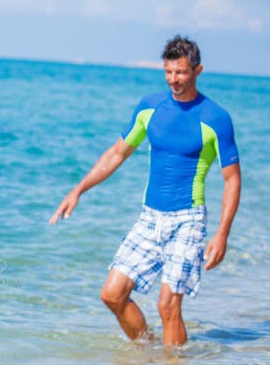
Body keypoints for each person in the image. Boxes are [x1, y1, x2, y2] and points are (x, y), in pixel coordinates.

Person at [50, 35, 241, 345]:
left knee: (168, 305)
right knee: (112, 294)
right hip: (150, 218)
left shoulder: (215, 118)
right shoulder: (150, 107)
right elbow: (117, 153)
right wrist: (79, 190)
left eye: (180, 72)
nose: (173, 80)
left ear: (197, 70)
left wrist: (222, 234)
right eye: (168, 72)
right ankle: (149, 353)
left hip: (188, 220)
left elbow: (232, 179)